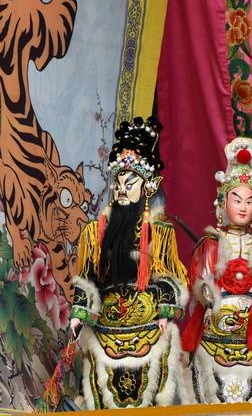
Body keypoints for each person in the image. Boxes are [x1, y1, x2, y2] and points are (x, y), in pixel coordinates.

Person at [69, 117, 189, 409]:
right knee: (98, 375)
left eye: (130, 183)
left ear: (146, 187)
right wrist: (79, 315)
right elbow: (88, 277)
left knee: (156, 371)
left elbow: (168, 276)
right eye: (118, 183)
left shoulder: (158, 231)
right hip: (106, 321)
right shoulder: (95, 231)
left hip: (147, 319)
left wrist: (165, 312)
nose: (122, 190)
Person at [180, 137, 252, 402]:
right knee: (213, 388)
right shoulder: (213, 242)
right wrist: (206, 298)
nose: (243, 207)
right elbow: (203, 279)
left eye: (249, 201)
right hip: (217, 326)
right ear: (223, 203)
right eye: (237, 200)